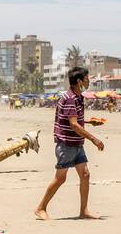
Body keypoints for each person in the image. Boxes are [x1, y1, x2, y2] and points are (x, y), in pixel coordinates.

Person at [35, 66, 104, 220]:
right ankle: (40, 208)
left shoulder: (78, 97)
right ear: (79, 81)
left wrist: (89, 122)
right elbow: (73, 124)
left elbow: (72, 119)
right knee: (61, 178)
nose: (88, 81)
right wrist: (94, 139)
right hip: (66, 144)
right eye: (87, 78)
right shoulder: (70, 98)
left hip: (77, 144)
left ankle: (84, 211)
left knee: (85, 175)